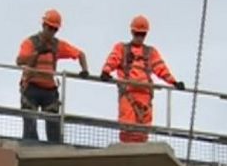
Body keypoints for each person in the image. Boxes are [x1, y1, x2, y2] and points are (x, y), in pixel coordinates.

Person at [100, 15, 184, 143]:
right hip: (128, 95)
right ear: (132, 32)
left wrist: (174, 82)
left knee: (143, 133)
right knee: (127, 129)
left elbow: (161, 68)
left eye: (142, 34)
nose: (139, 37)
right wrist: (106, 71)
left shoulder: (151, 52)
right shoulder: (121, 48)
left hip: (145, 97)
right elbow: (113, 59)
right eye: (137, 33)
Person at [16, 9, 89, 143]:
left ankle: (54, 150)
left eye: (55, 29)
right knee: (30, 127)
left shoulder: (57, 45)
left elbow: (80, 54)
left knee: (53, 129)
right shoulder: (30, 43)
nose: (51, 32)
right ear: (43, 25)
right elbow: (19, 61)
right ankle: (31, 149)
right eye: (50, 28)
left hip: (49, 90)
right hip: (31, 88)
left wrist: (84, 70)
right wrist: (37, 53)